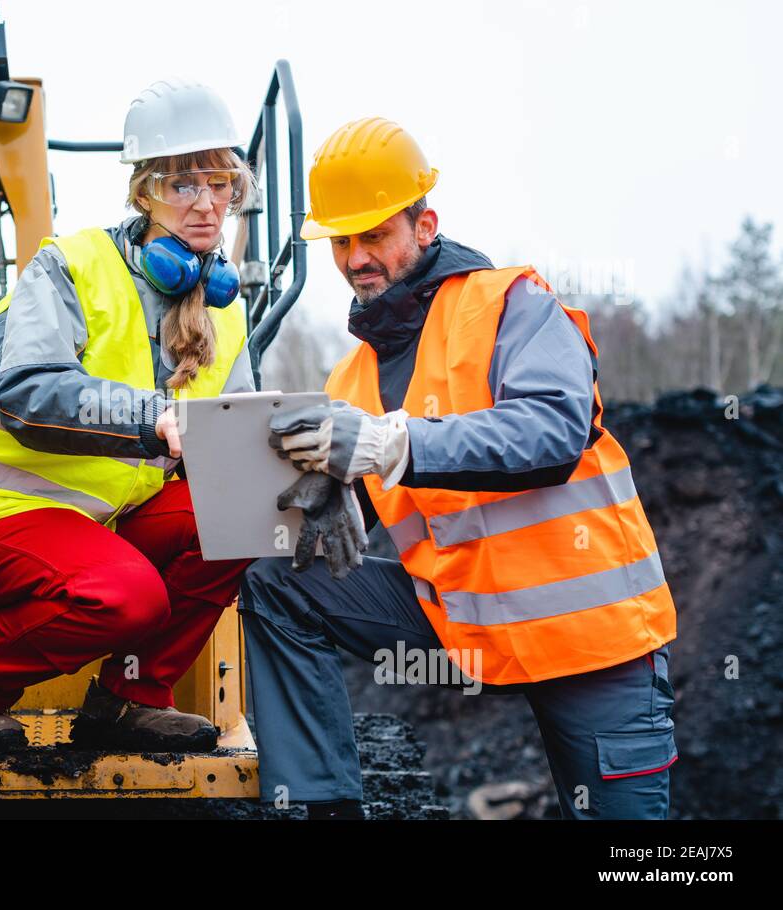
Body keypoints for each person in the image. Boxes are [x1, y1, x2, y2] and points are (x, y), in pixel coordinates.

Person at [240, 117, 678, 820]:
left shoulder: (512, 305)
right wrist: (328, 496)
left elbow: (552, 432)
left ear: (424, 223)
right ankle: (322, 808)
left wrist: (392, 446)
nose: (356, 258)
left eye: (374, 234)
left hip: (592, 640)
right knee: (279, 584)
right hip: (463, 629)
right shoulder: (350, 378)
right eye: (342, 242)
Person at [0, 79, 256, 755]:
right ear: (144, 193)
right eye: (182, 183)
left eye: (220, 183)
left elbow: (240, 443)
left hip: (94, 528)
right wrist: (151, 415)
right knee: (130, 596)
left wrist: (309, 476)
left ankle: (130, 700)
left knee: (238, 510)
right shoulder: (70, 268)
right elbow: (25, 389)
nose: (205, 202)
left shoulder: (226, 312)